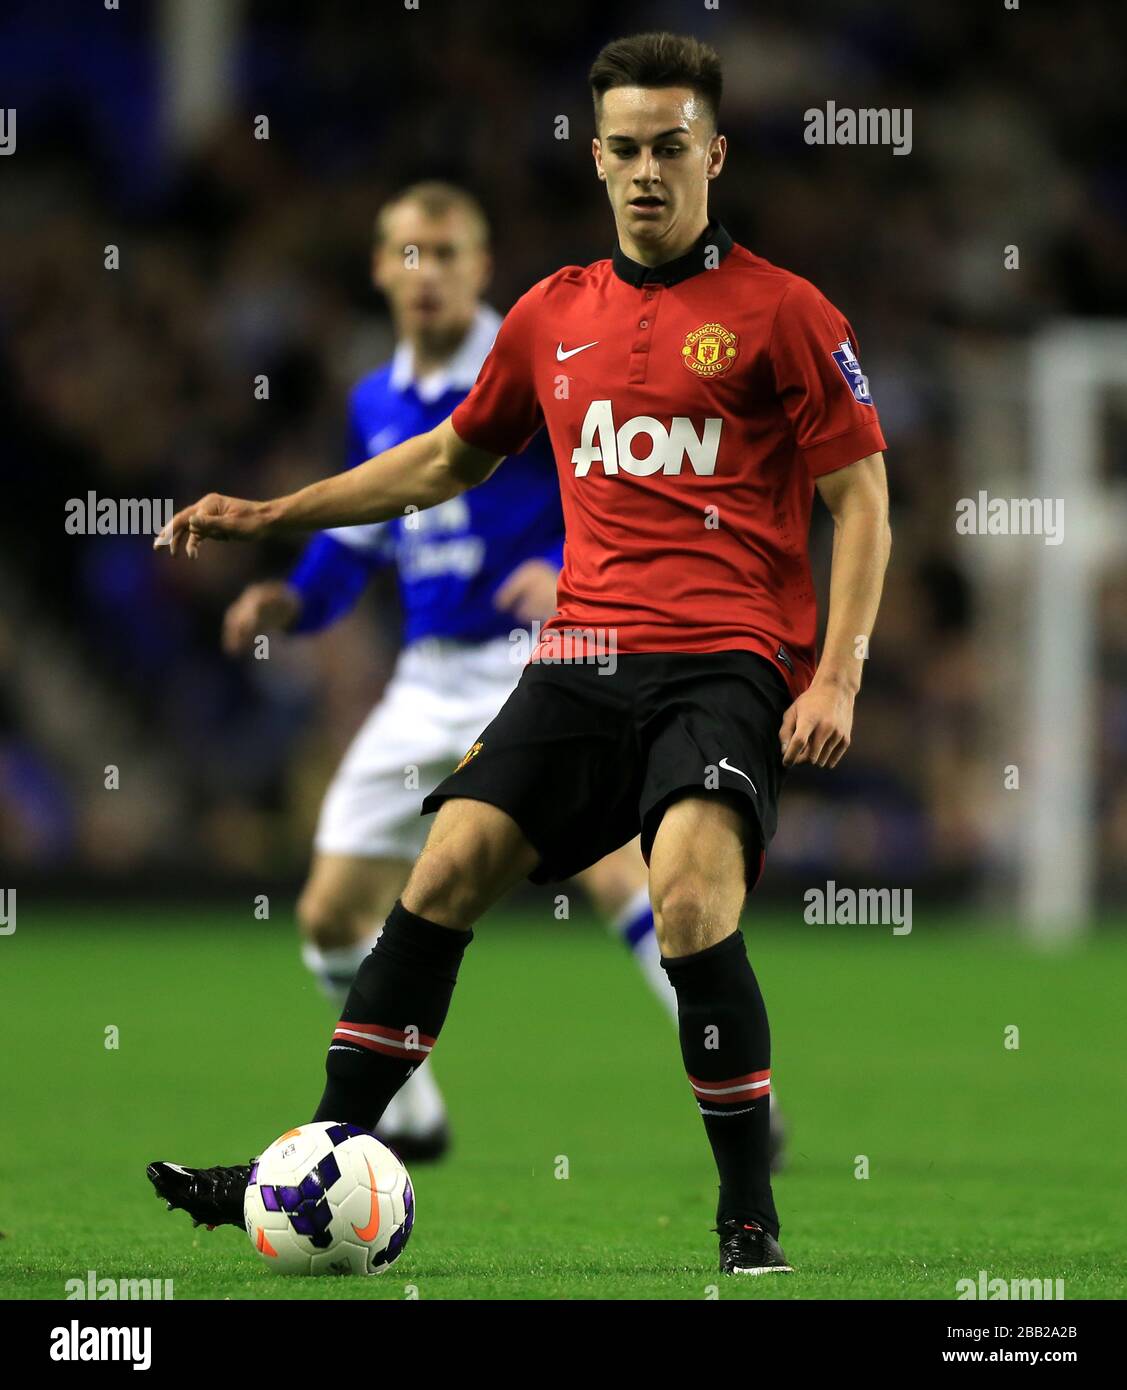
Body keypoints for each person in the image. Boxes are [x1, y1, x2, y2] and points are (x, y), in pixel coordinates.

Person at [150, 30, 890, 1276]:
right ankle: (316, 1161)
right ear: (595, 157)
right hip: (579, 657)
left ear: (713, 153)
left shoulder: (784, 313)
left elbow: (860, 497)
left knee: (691, 897)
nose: (646, 171)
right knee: (440, 873)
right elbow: (445, 459)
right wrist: (278, 514)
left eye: (671, 148)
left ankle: (746, 1210)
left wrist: (838, 672)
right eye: (624, 149)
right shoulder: (552, 314)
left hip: (724, 659)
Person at [222, 180, 727, 1161]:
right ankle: (409, 1114)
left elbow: (633, 479)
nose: (425, 274)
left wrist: (567, 568)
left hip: (540, 653)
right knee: (327, 912)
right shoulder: (373, 396)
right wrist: (298, 599)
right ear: (378, 268)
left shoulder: (544, 357)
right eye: (406, 253)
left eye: (445, 253)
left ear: (478, 267)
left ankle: (731, 1078)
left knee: (620, 865)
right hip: (424, 675)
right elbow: (365, 533)